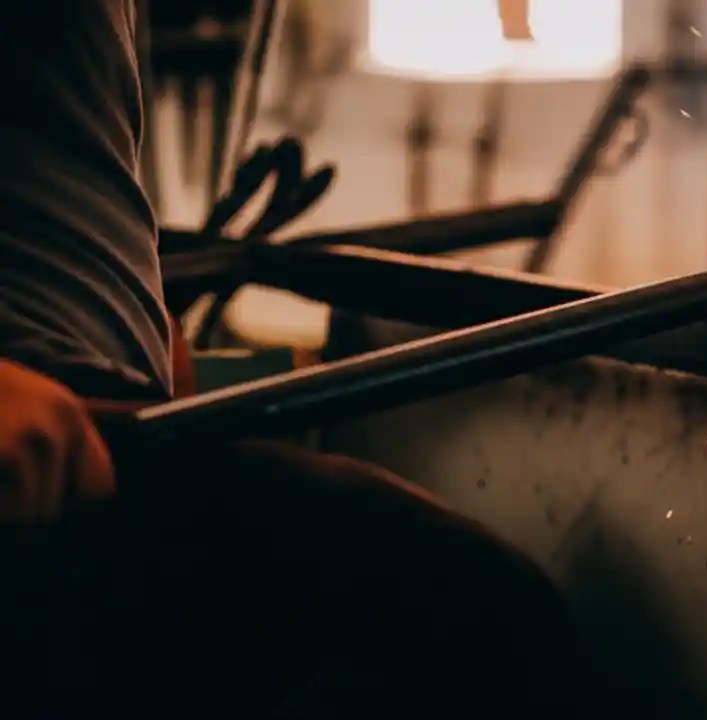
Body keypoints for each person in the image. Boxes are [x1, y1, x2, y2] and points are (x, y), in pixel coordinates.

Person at [0, 2, 583, 715]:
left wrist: (151, 331)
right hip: (38, 437)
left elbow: (66, 170)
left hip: (109, 414)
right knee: (468, 612)